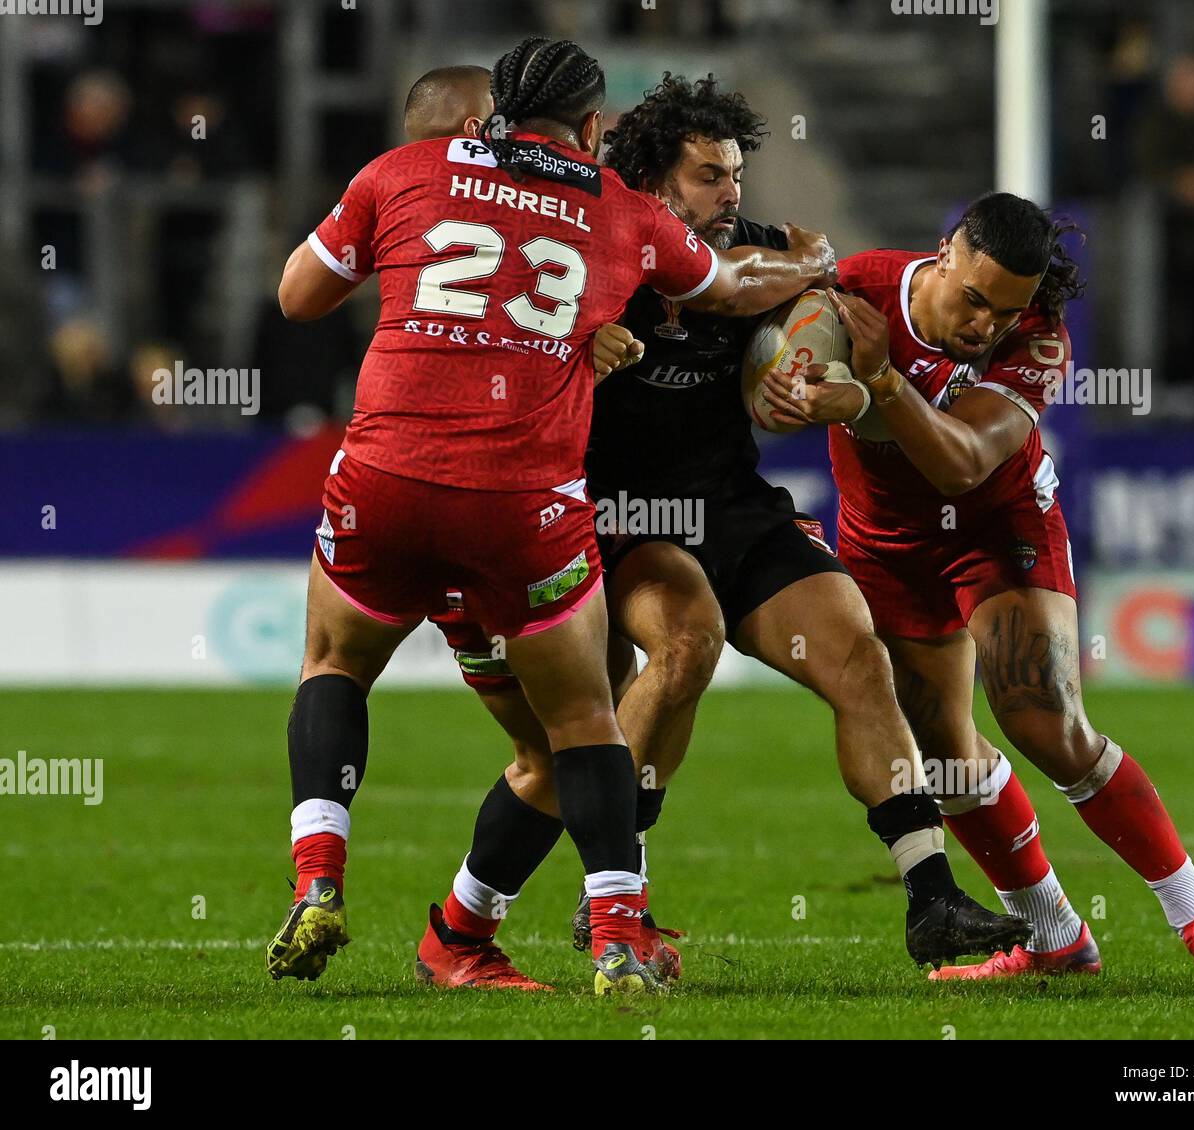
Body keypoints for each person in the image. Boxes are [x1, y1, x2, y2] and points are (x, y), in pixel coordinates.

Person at [265, 38, 838, 996]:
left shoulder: (400, 172)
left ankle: (322, 880)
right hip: (521, 501)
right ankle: (615, 933)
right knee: (580, 723)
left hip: (389, 475)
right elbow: (734, 286)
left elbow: (296, 297)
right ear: (590, 127)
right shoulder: (623, 212)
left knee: (335, 666)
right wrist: (811, 261)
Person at [762, 191, 1194, 985]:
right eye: (975, 300)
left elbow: (963, 460)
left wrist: (880, 387)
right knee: (948, 758)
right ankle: (1053, 936)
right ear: (944, 254)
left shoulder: (1038, 341)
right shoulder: (858, 292)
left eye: (1006, 310)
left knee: (1044, 722)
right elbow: (766, 385)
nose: (985, 325)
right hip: (885, 548)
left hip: (999, 534)